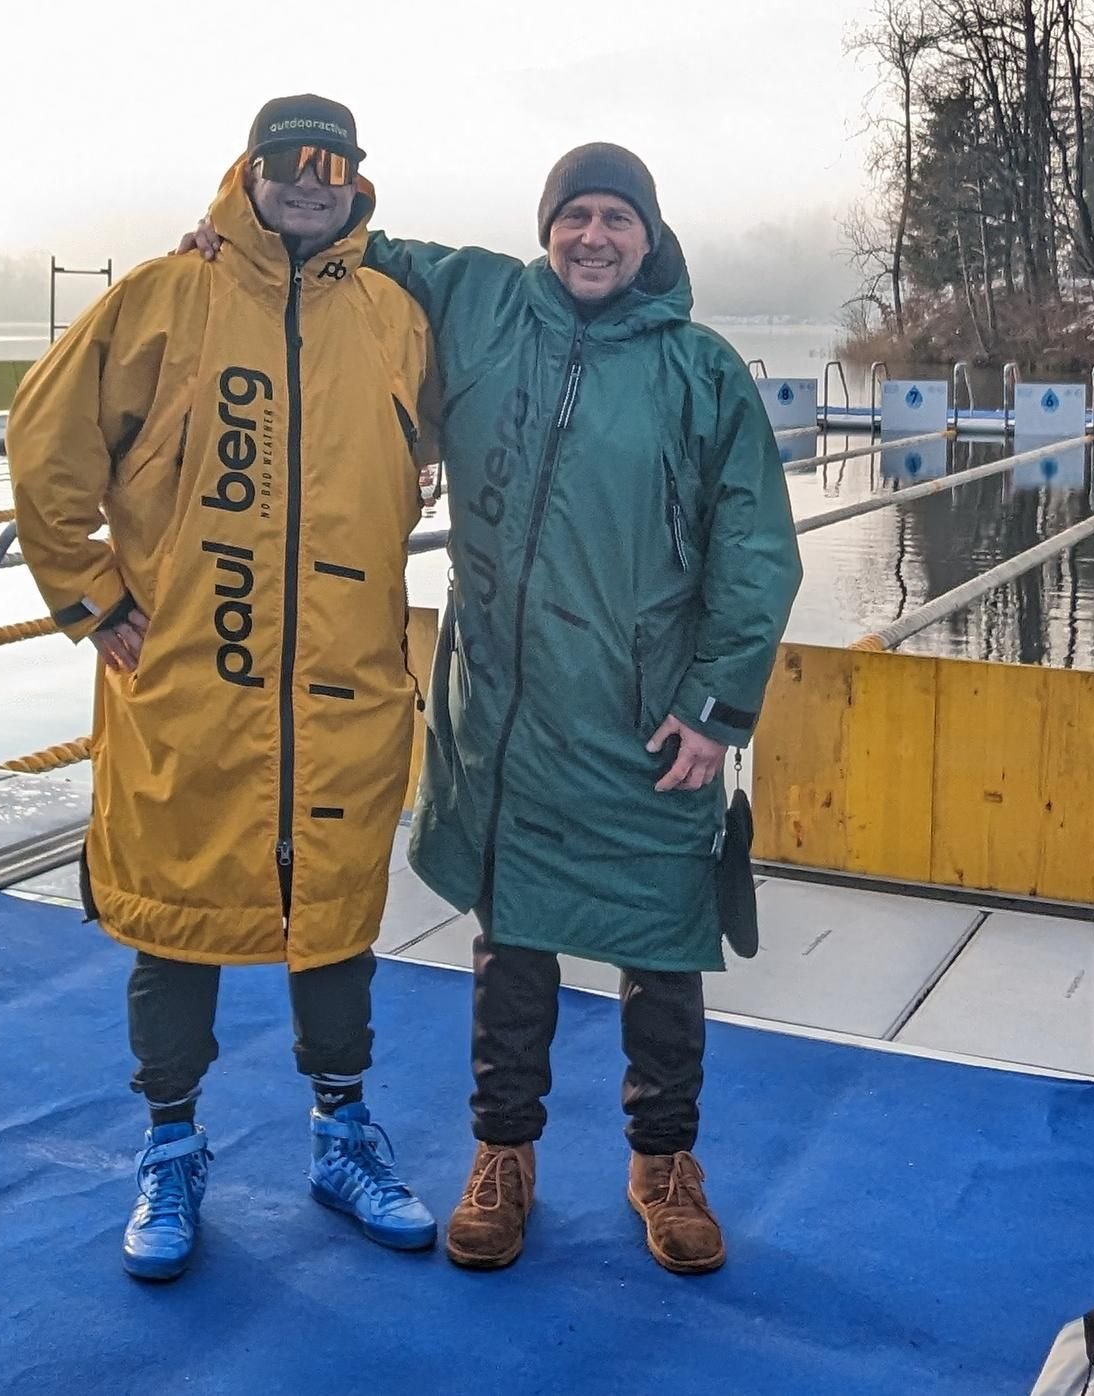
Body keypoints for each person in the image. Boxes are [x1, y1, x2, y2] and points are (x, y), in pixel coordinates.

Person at [185, 143, 802, 1275]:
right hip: (506, 717)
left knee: (664, 953)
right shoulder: (482, 304)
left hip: (645, 722)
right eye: (575, 217)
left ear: (649, 237)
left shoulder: (699, 370)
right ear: (547, 228)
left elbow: (755, 549)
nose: (593, 238)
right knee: (509, 952)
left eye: (617, 219)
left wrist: (716, 707)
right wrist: (232, 245)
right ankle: (501, 1156)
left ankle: (662, 1163)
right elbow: (341, 238)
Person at [8, 94, 443, 1282]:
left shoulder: (396, 316)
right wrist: (92, 597)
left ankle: (341, 1133)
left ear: (358, 180)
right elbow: (44, 443)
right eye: (287, 162)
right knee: (175, 916)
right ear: (247, 173)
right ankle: (169, 1145)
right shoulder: (165, 297)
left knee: (338, 921)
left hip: (347, 691)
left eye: (332, 163)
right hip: (193, 687)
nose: (309, 181)